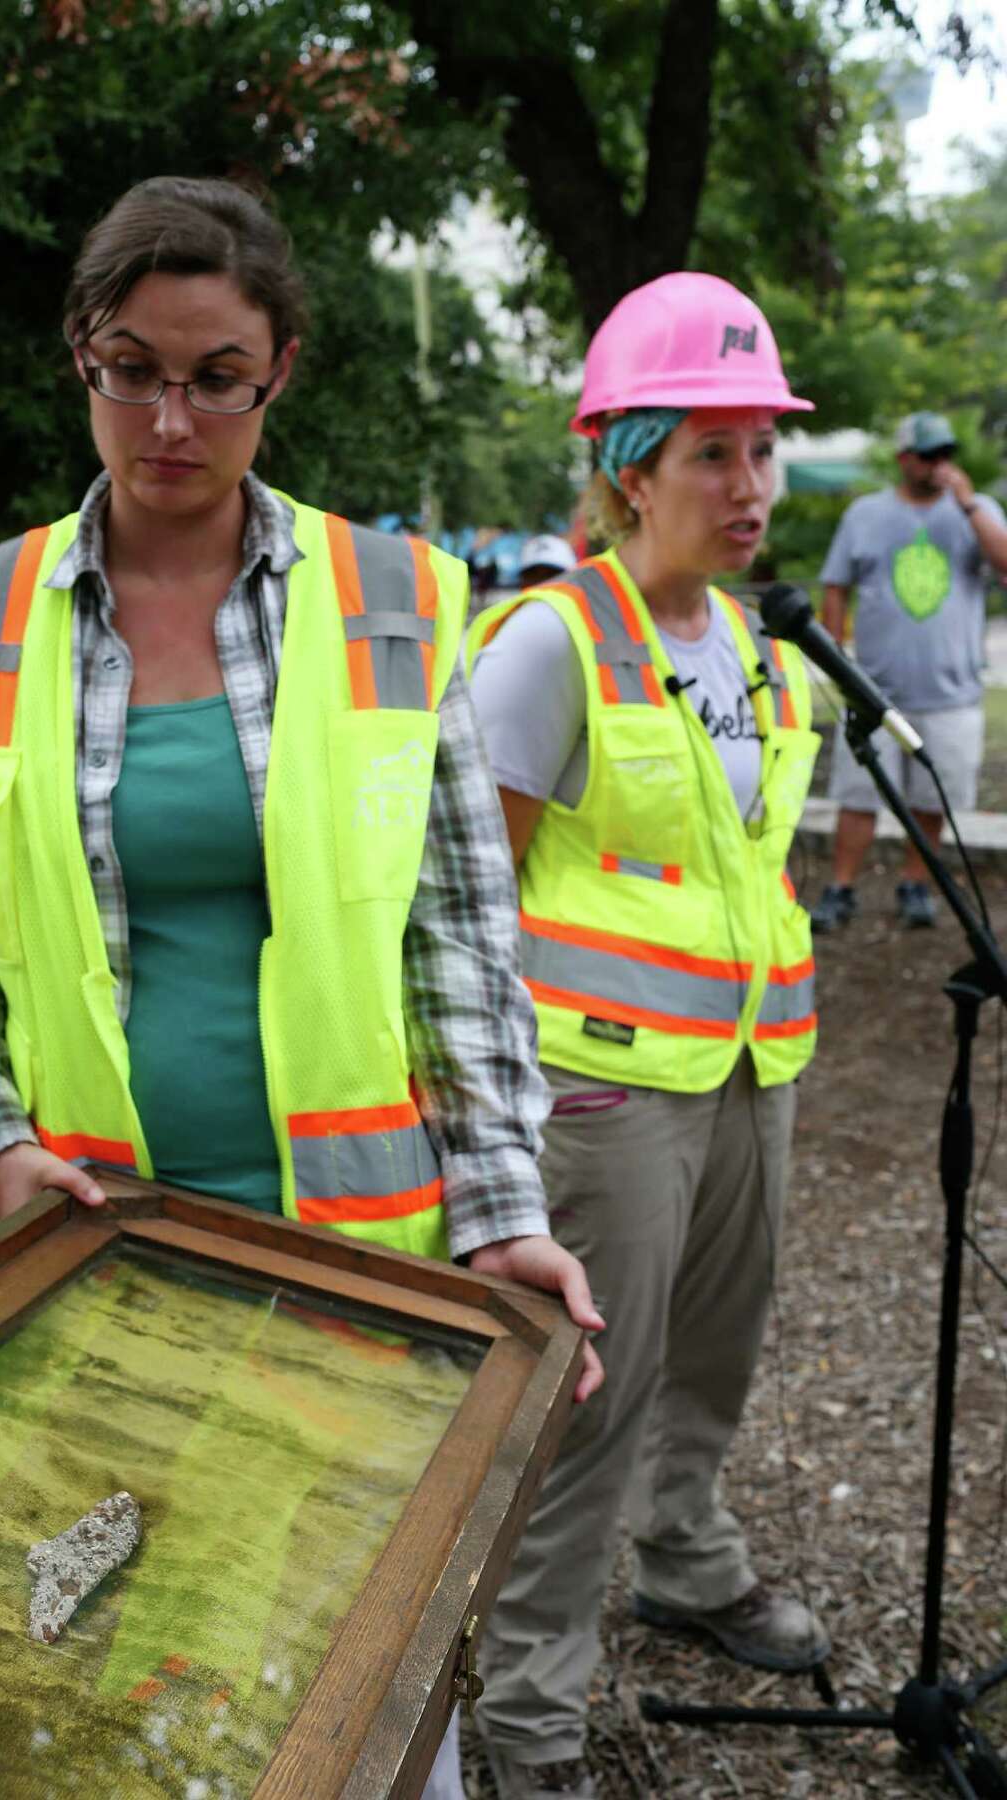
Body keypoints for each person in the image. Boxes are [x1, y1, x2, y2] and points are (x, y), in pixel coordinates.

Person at [0, 175, 605, 1800]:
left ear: (281, 373)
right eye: (133, 367)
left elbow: (463, 950)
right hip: (89, 1260)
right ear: (82, 355)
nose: (171, 417)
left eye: (219, 378)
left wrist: (500, 1213)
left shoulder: (403, 604)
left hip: (359, 1272)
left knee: (360, 1685)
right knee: (93, 1670)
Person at [466, 271, 828, 1800]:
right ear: (630, 464)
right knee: (586, 1403)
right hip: (603, 1094)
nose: (751, 488)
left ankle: (689, 1559)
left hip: (752, 1073)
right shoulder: (552, 646)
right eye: (716, 455)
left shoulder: (759, 647)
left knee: (717, 1351)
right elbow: (465, 896)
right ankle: (527, 1710)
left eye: (765, 452)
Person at [811, 411, 1007, 933]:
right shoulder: (865, 514)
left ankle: (915, 884)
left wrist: (966, 502)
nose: (939, 465)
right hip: (872, 690)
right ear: (903, 460)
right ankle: (841, 887)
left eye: (946, 454)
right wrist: (835, 654)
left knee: (929, 797)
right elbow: (836, 583)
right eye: (928, 455)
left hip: (951, 694)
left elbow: (1005, 561)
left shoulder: (976, 510)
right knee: (857, 797)